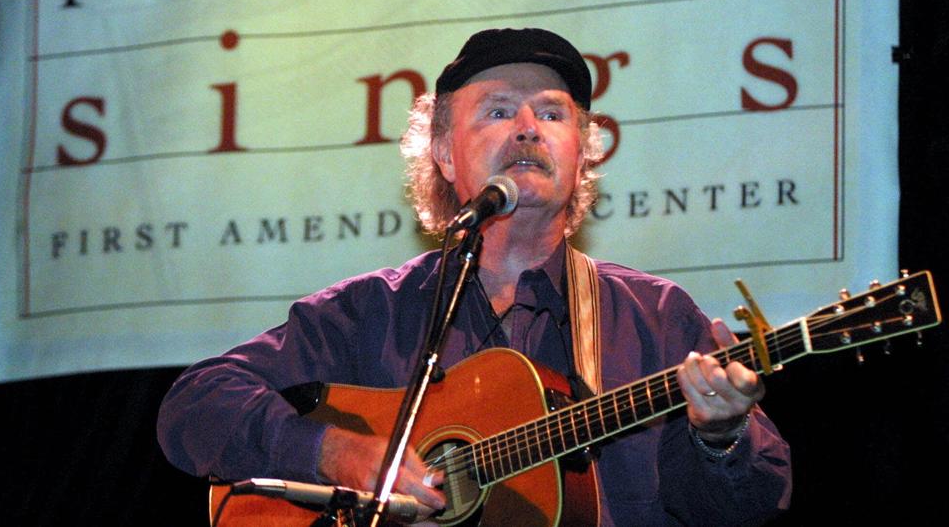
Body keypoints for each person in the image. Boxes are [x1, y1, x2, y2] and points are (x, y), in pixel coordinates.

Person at [158, 27, 792, 526]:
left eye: (552, 114)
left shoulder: (656, 318)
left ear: (582, 149)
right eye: (497, 111)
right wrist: (341, 454)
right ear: (441, 152)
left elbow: (741, 508)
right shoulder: (369, 314)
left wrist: (720, 436)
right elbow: (194, 405)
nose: (527, 128)